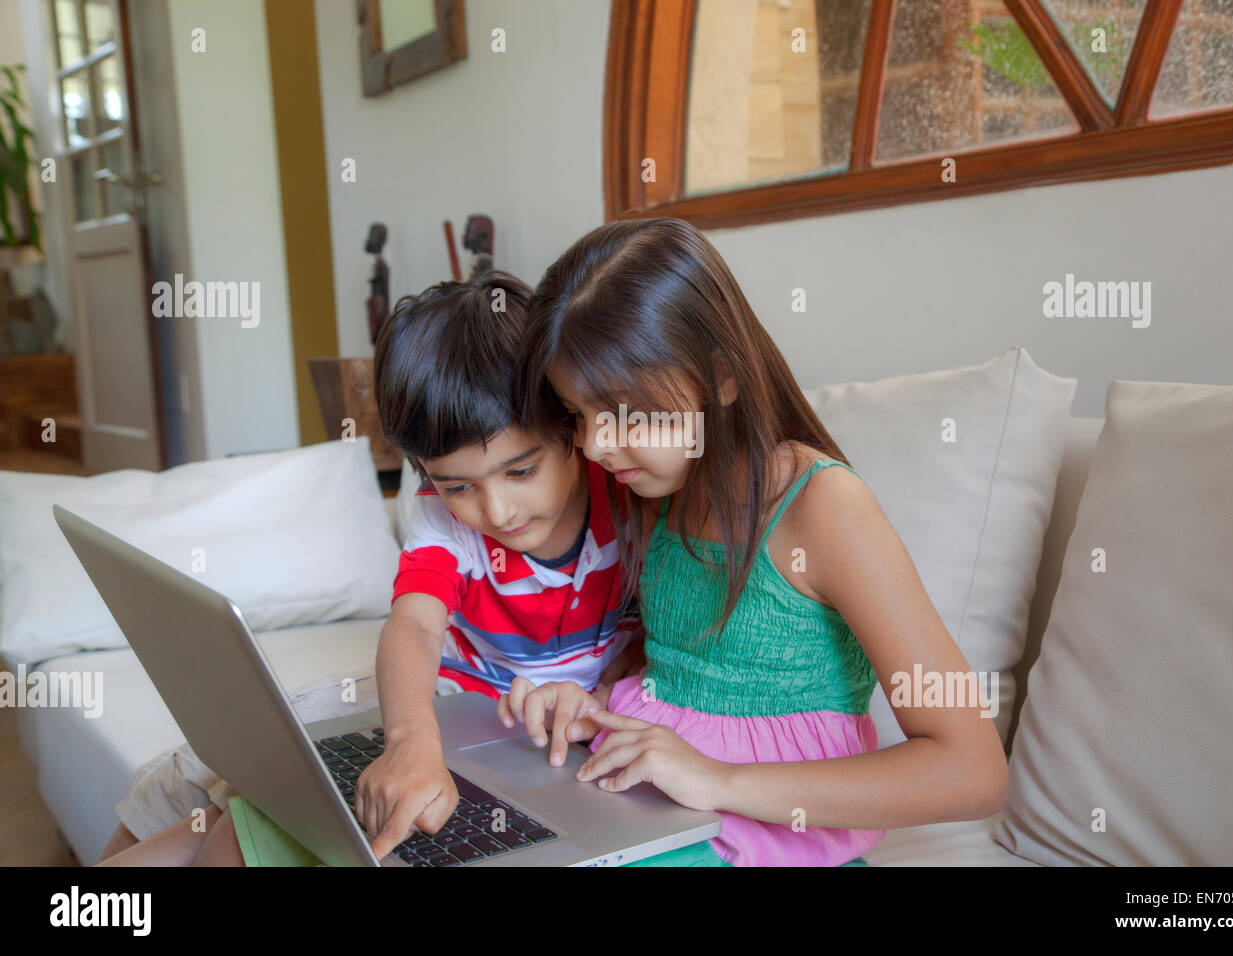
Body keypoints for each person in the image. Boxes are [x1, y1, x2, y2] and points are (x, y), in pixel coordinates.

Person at [500, 218, 1008, 866]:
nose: (595, 445)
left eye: (622, 409)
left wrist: (716, 779)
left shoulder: (822, 507)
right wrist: (591, 707)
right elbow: (683, 681)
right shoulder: (661, 485)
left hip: (768, 839)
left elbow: (972, 770)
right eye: (579, 415)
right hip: (651, 806)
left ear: (724, 376)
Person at [97, 270, 643, 866]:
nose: (496, 510)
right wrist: (410, 740)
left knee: (244, 799)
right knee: (212, 757)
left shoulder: (625, 490)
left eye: (520, 472)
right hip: (448, 692)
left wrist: (609, 694)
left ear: (570, 424)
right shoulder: (445, 516)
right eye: (457, 484)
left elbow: (661, 640)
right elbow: (415, 624)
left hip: (531, 725)